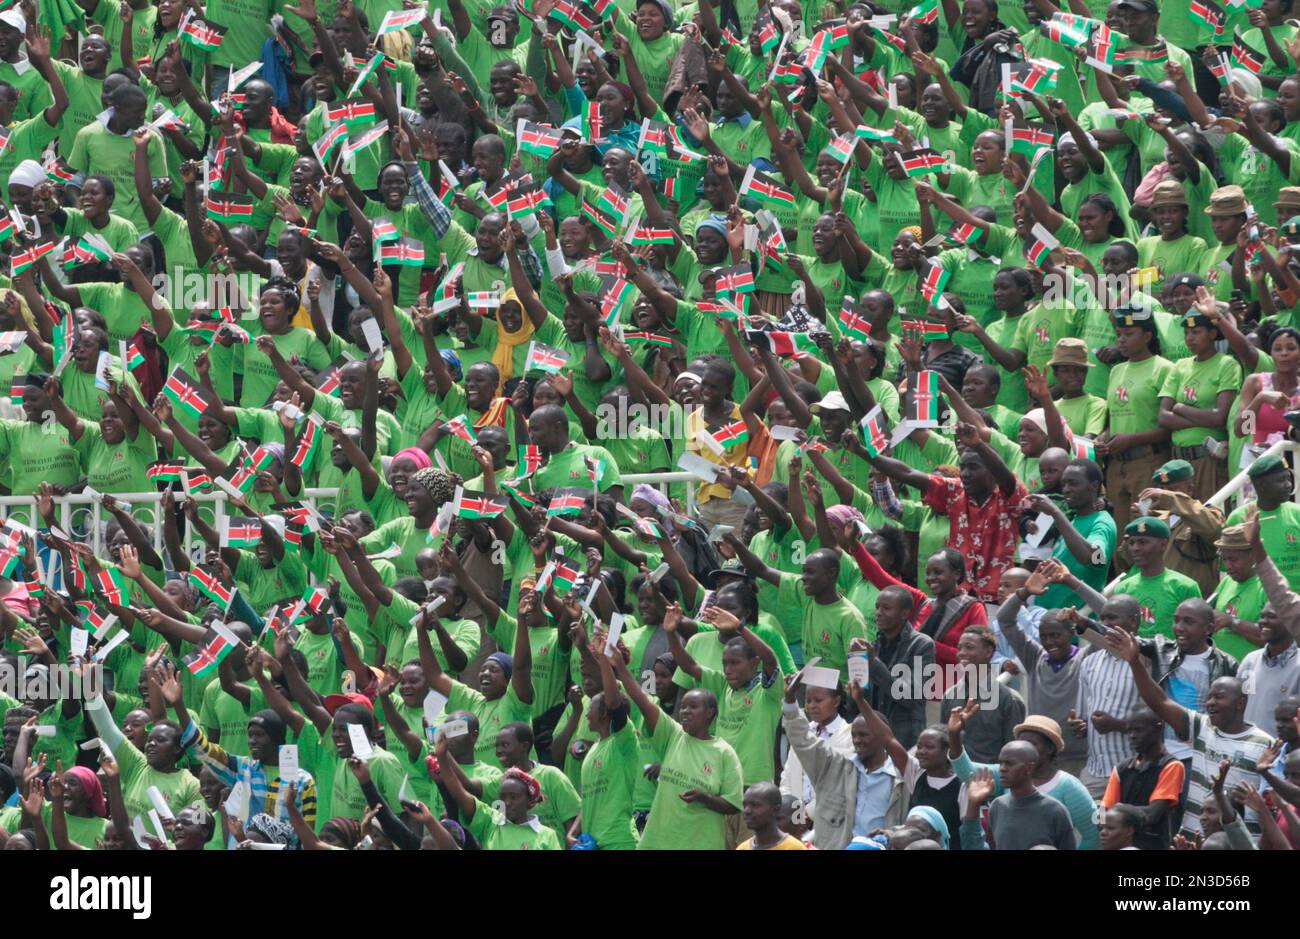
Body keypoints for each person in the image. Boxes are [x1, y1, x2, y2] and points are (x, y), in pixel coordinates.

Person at [779, 672, 908, 851]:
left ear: (881, 738)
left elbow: (911, 824)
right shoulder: (838, 765)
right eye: (854, 735)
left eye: (864, 735)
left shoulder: (899, 780)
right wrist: (790, 700)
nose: (856, 740)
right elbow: (802, 741)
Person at [960, 743, 1077, 851]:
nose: (1002, 768)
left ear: (1029, 768)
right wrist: (973, 804)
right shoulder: (997, 806)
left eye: (1010, 763)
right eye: (1001, 763)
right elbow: (973, 846)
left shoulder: (1055, 811)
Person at [1100, 704, 1185, 850]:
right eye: (1129, 731)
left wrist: (1118, 810)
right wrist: (1109, 816)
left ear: (1158, 728)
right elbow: (1102, 813)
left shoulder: (1171, 766)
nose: (1132, 736)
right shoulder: (1122, 769)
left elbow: (1153, 814)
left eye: (1138, 730)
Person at [736, 782, 806, 851]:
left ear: (775, 809)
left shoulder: (794, 848)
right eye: (745, 805)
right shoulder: (742, 848)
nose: (747, 811)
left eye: (755, 805)